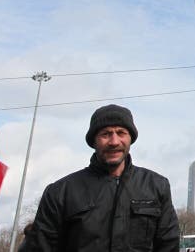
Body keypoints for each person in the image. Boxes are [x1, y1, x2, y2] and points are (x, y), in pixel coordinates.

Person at [28, 104, 179, 251]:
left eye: (121, 133)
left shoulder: (157, 186)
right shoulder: (60, 192)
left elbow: (168, 245)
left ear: (130, 138)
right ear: (93, 141)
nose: (114, 142)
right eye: (105, 134)